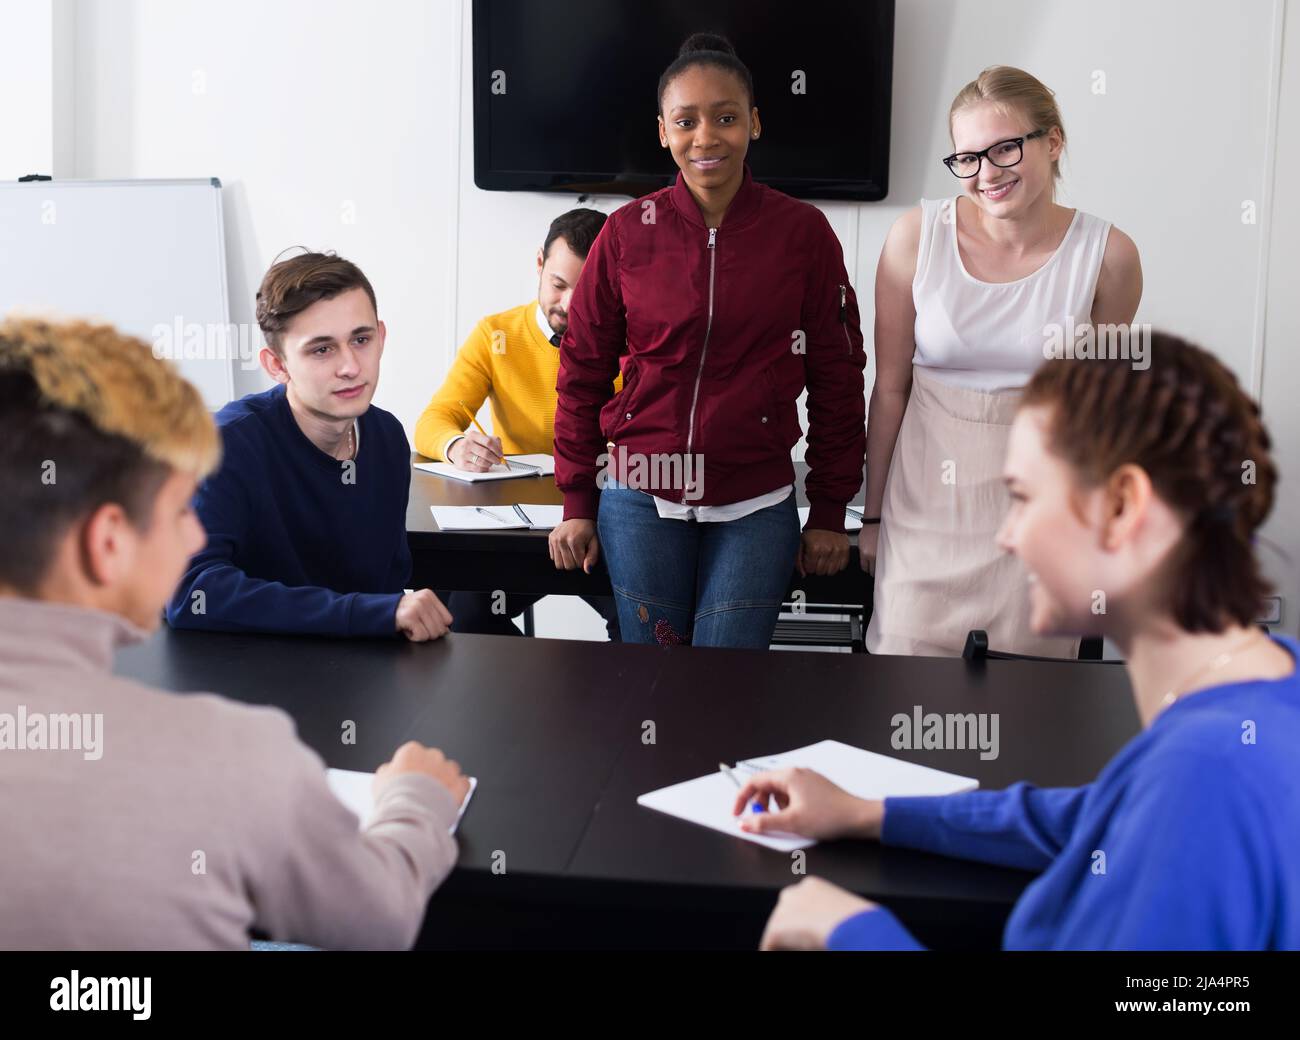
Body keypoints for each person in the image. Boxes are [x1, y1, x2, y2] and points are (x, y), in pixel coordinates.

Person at [744, 332, 1298, 950]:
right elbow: (1087, 818)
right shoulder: (1270, 687)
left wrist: (850, 932)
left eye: (1023, 499)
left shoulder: (1201, 775)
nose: (1006, 536)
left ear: (1122, 506)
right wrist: (869, 812)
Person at [0, 317, 470, 949]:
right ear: (107, 543)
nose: (195, 536)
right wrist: (417, 801)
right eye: (176, 512)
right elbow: (379, 916)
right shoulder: (235, 759)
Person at [551, 32, 866, 649]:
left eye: (725, 118)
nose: (706, 137)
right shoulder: (624, 234)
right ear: (663, 131)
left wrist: (829, 509)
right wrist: (577, 501)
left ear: (754, 122)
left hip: (756, 502)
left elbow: (838, 372)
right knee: (653, 674)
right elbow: (582, 372)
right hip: (640, 494)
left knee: (729, 681)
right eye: (686, 121)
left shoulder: (803, 233)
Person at [862, 66, 1143, 658]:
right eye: (966, 158)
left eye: (1005, 149)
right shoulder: (916, 238)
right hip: (924, 515)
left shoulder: (1109, 256)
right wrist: (873, 517)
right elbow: (889, 390)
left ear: (1054, 142)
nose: (985, 174)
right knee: (902, 705)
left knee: (1026, 721)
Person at [166, 250, 454, 641]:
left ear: (381, 337)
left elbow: (384, 584)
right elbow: (190, 592)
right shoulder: (227, 444)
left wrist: (384, 613)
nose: (351, 365)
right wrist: (365, 613)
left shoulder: (386, 436)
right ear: (277, 366)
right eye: (322, 349)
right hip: (246, 680)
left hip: (356, 675)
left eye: (361, 339)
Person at [414, 208, 621, 640]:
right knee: (460, 614)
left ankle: (607, 706)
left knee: (646, 623)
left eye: (583, 290)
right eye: (558, 285)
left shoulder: (637, 342)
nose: (567, 304)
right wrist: (456, 445)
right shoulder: (496, 334)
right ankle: (526, 698)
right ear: (540, 265)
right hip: (518, 530)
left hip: (602, 524)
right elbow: (434, 419)